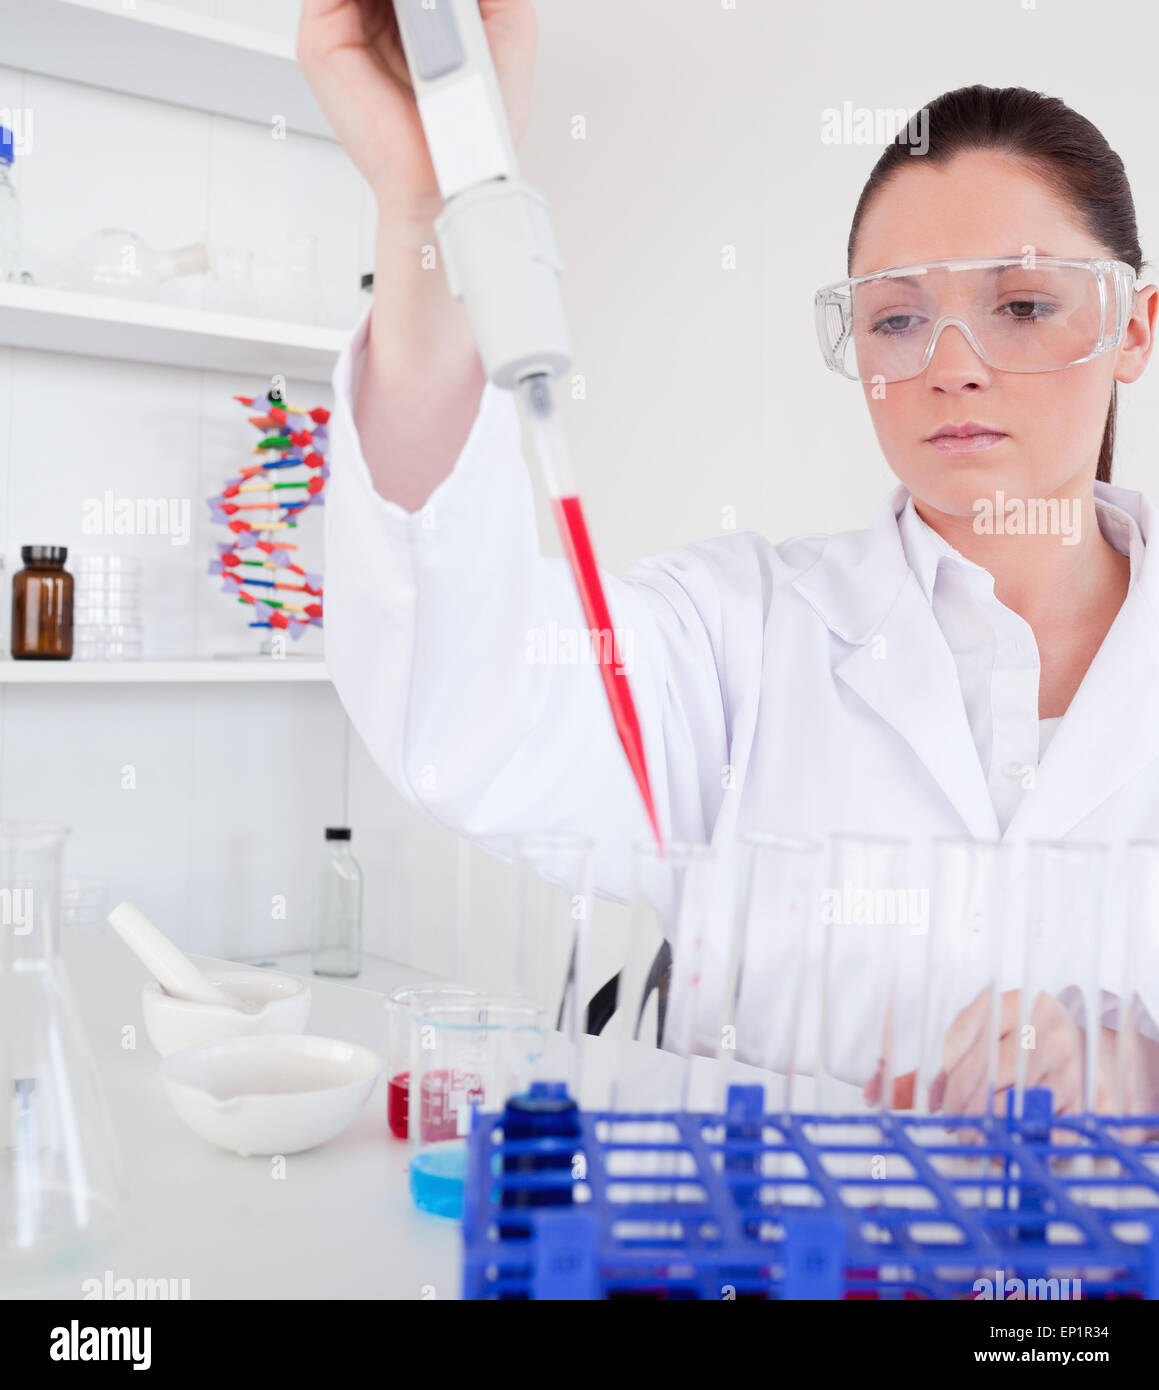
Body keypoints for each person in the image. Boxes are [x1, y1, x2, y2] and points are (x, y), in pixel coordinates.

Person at [298, 0, 1159, 1113]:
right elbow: (469, 705)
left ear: (1133, 328)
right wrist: (430, 208)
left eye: (1024, 303)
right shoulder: (738, 637)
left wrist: (1136, 1076)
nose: (953, 365)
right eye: (896, 319)